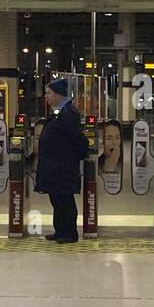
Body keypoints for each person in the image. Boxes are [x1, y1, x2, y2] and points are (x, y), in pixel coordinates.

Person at [36, 78, 89, 243]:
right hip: (54, 166)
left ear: (58, 94)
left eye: (49, 93)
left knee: (64, 199)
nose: (46, 96)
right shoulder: (59, 112)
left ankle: (69, 233)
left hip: (63, 167)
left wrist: (74, 157)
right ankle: (60, 230)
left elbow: (77, 139)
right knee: (56, 199)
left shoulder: (68, 113)